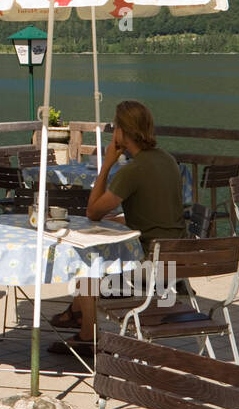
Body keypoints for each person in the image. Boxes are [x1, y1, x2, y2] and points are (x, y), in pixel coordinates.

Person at [49, 99, 185, 353]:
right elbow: (158, 214)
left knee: (87, 265)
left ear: (123, 132)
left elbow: (93, 211)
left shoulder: (133, 170)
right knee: (92, 263)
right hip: (177, 263)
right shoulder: (167, 160)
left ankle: (87, 334)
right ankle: (76, 313)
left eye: (115, 127)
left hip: (150, 269)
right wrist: (123, 219)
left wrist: (108, 163)